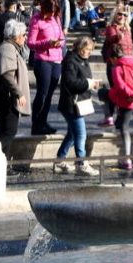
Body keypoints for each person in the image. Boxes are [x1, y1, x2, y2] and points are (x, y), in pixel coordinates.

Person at [0, 19, 31, 156]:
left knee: (6, 131)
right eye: (23, 35)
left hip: (3, 96)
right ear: (16, 36)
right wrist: (19, 93)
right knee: (9, 131)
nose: (25, 37)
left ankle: (1, 162)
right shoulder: (7, 49)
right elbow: (7, 75)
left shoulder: (8, 47)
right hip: (5, 97)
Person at [53, 37, 100, 176]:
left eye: (91, 50)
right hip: (71, 105)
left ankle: (59, 161)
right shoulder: (71, 61)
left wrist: (91, 83)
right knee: (80, 134)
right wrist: (89, 84)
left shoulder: (82, 60)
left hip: (78, 103)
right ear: (80, 48)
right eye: (88, 50)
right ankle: (81, 164)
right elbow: (70, 83)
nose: (89, 53)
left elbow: (83, 80)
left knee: (72, 134)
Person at [99, 42, 133, 171]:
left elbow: (120, 87)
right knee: (123, 127)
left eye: (111, 60)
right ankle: (127, 159)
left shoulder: (117, 68)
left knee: (102, 93)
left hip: (121, 98)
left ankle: (108, 116)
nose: (111, 62)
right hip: (132, 101)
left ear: (114, 58)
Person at [28, 0, 66, 135]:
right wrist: (47, 43)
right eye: (51, 11)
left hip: (57, 59)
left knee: (50, 95)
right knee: (42, 93)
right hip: (43, 60)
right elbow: (30, 43)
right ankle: (36, 124)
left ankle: (43, 122)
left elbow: (62, 37)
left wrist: (59, 42)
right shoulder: (36, 20)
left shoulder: (56, 18)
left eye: (55, 11)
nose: (52, 13)